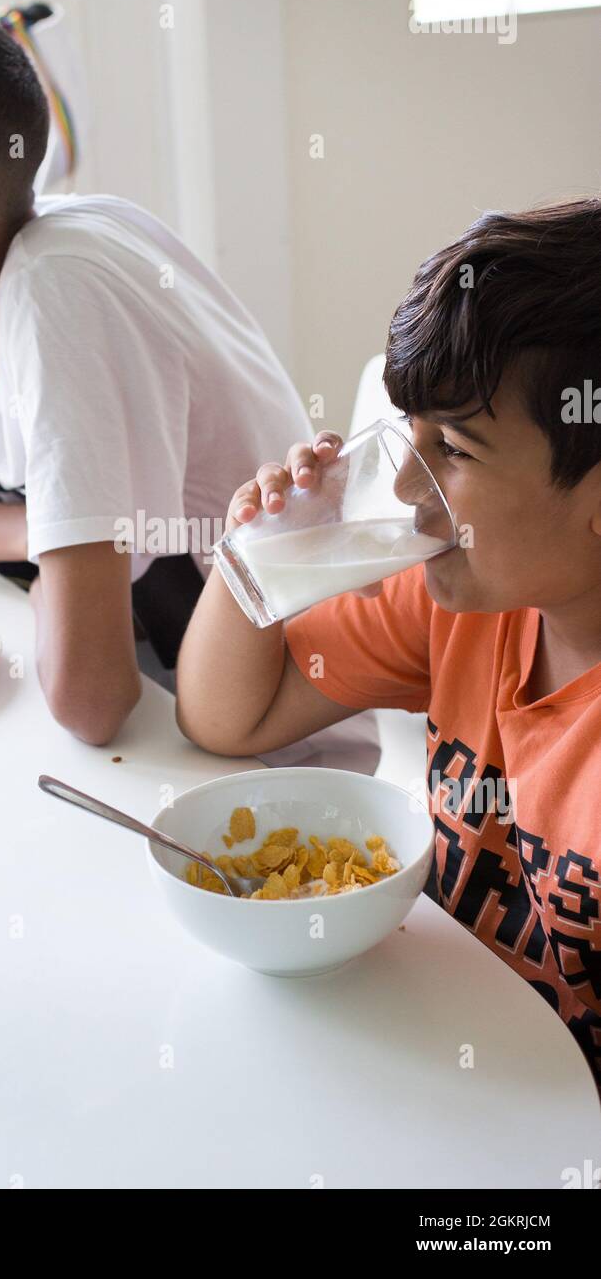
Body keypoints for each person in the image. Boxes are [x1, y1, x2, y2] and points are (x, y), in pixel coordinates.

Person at [0, 0, 379, 769]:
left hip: (264, 759)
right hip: (162, 712)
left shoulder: (60, 289)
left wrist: (58, 572)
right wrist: (43, 540)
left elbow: (91, 702)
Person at [176, 197, 601, 1094]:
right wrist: (263, 548)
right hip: (436, 1062)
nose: (405, 487)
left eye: (454, 451)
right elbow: (228, 715)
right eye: (407, 437)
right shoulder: (471, 603)